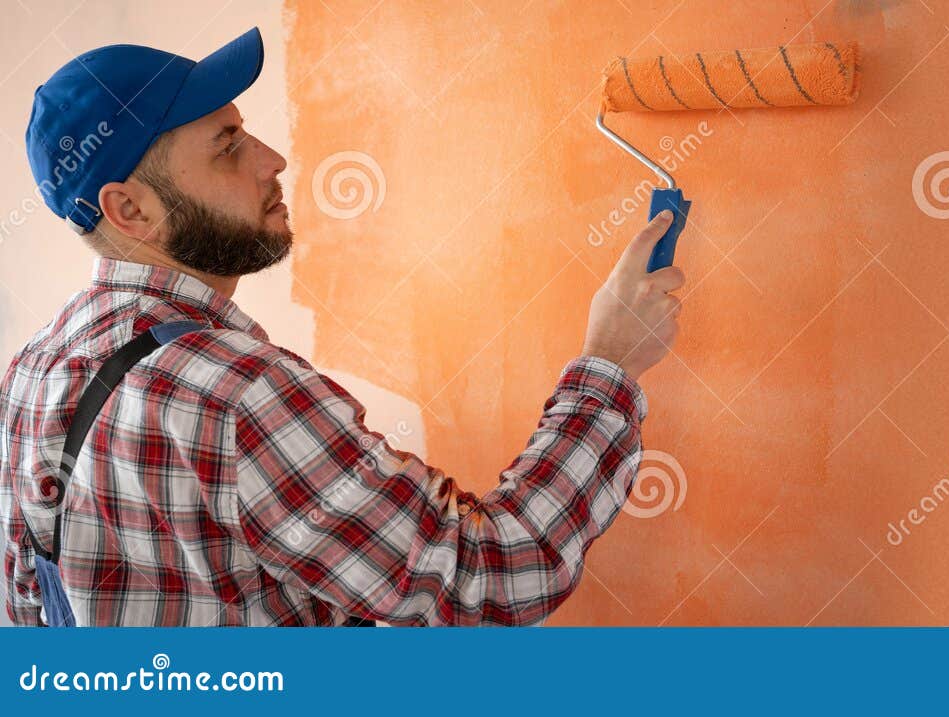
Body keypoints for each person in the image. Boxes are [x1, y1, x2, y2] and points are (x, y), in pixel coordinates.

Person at [0, 28, 685, 626]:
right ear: (131, 209)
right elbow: (489, 578)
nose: (274, 159)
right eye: (228, 145)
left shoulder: (29, 374)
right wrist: (609, 365)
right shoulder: (238, 395)